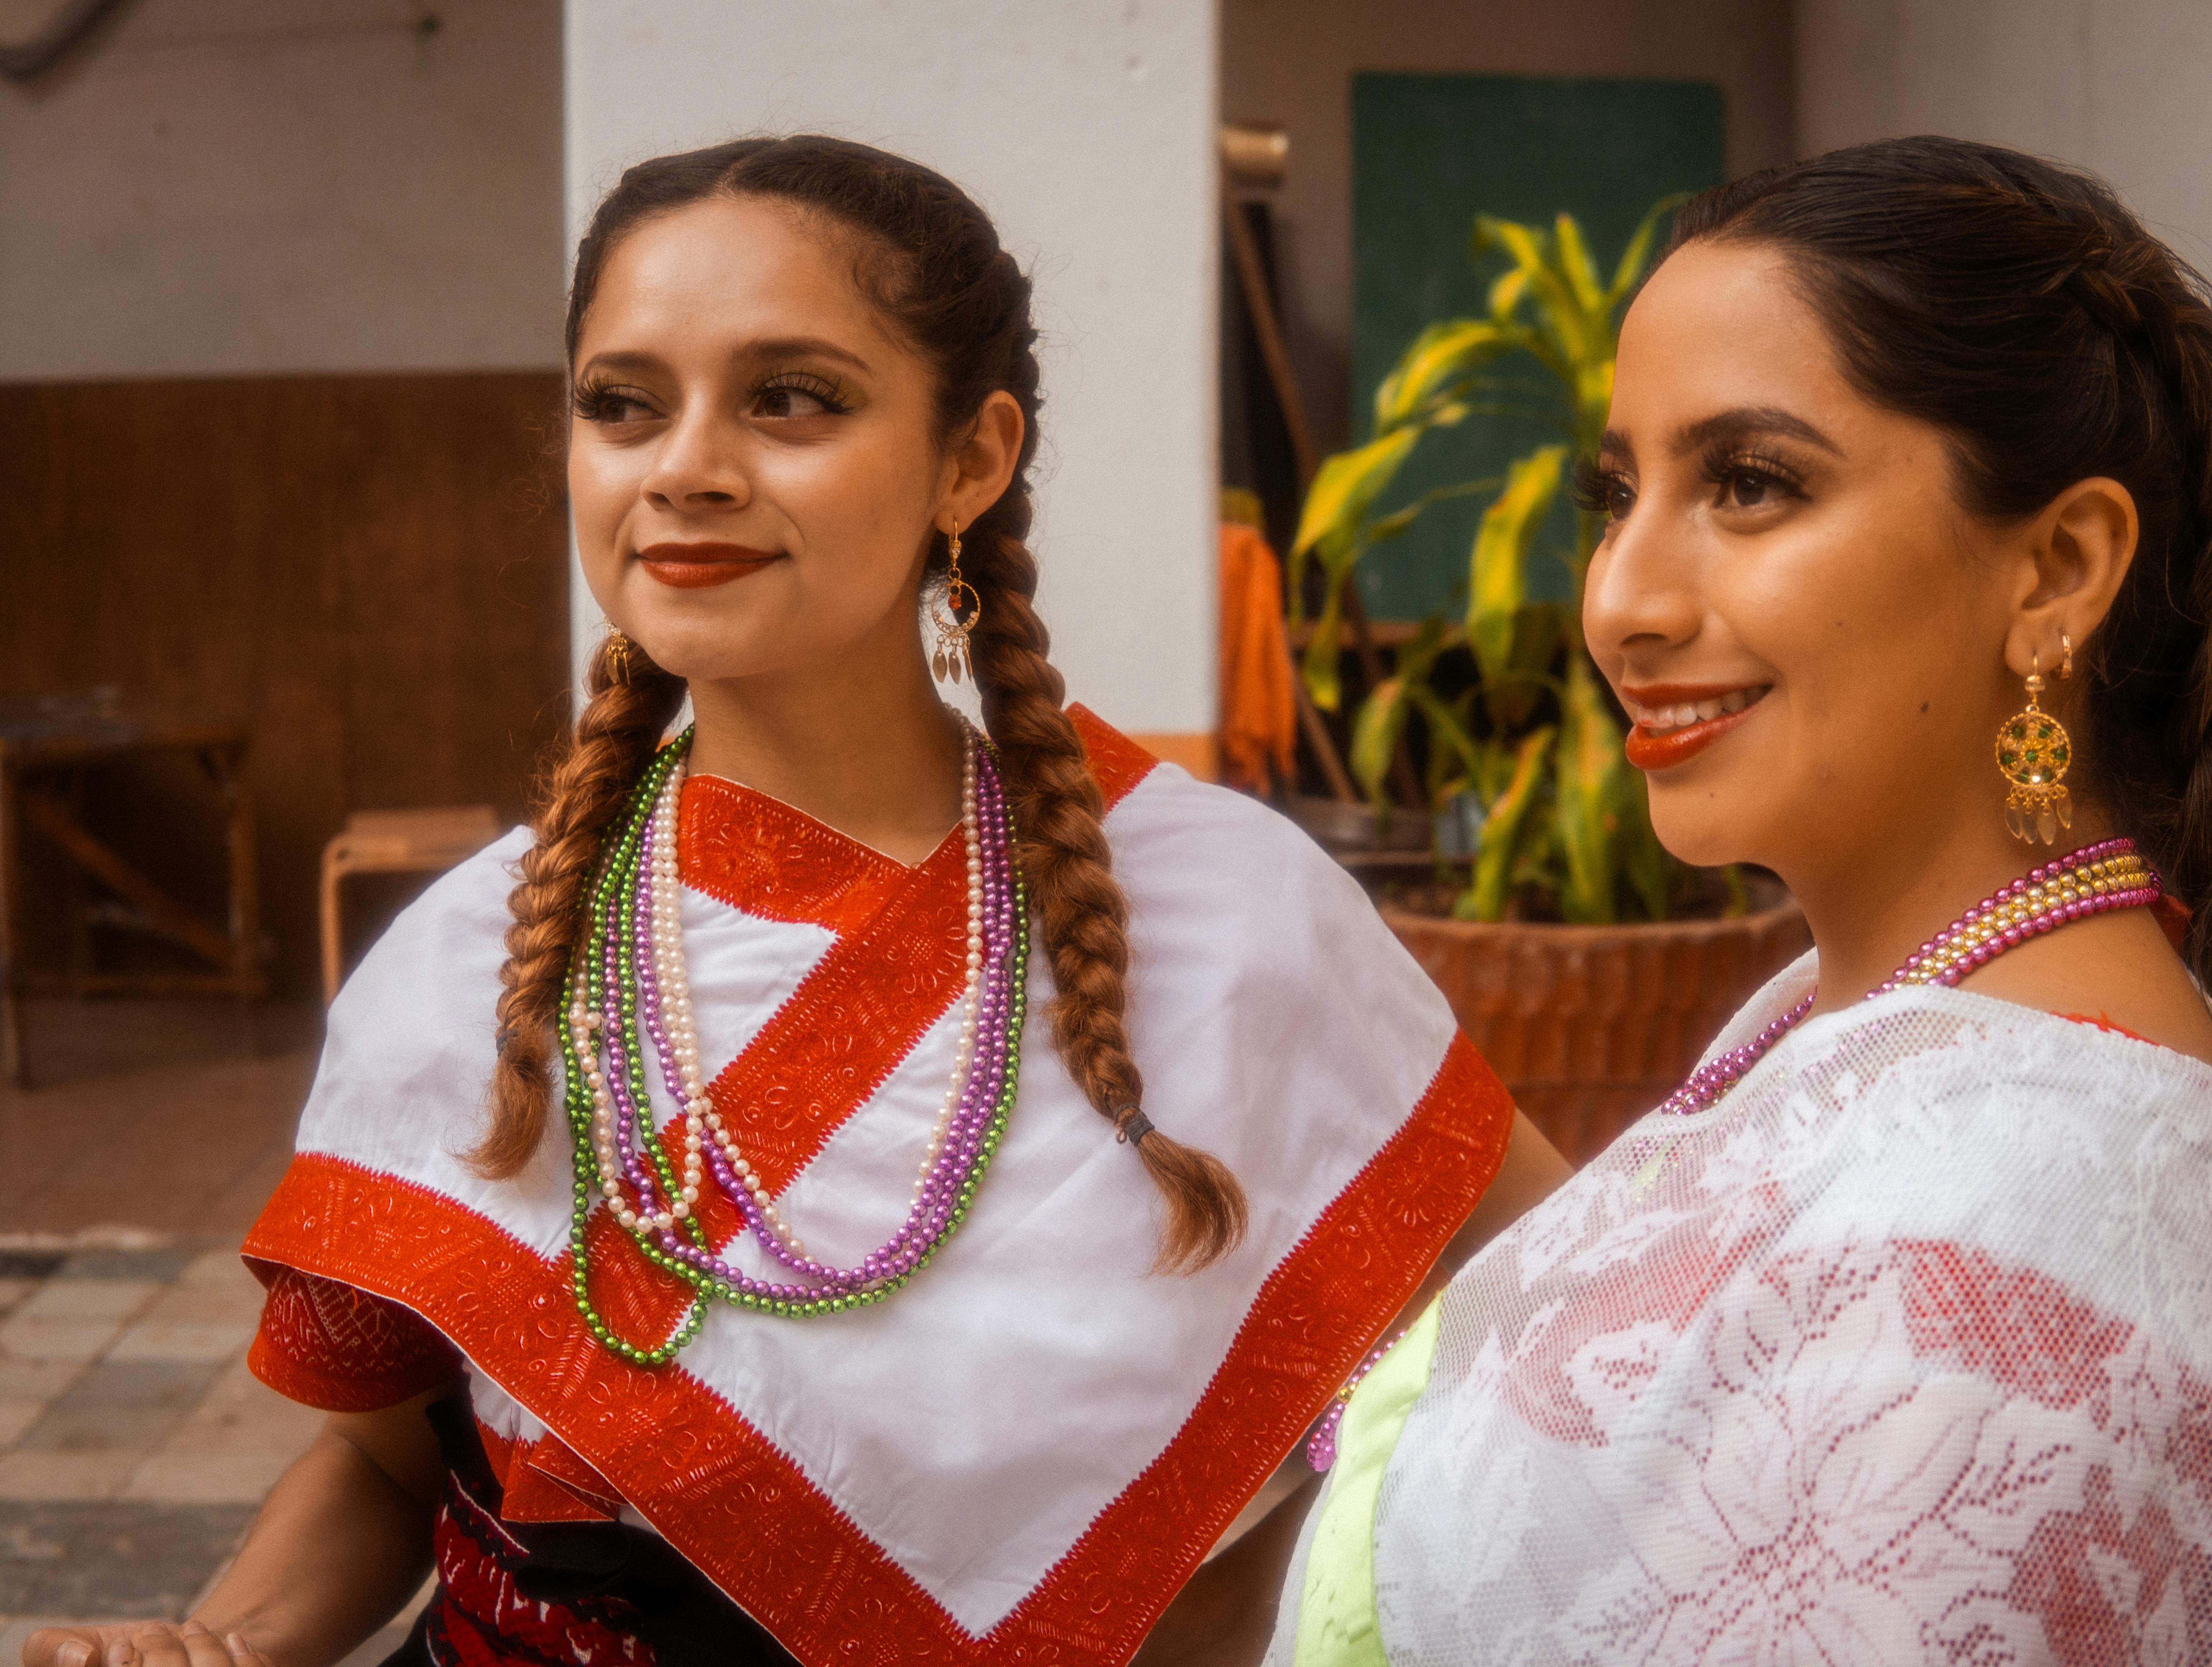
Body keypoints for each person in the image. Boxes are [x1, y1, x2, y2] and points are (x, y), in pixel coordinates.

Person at [25, 136, 1566, 1667]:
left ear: (972, 457)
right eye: (622, 404)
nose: (684, 465)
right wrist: (217, 1642)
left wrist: (1287, 1592)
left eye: (791, 398)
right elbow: (385, 1464)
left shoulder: (1228, 915)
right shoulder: (471, 963)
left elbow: (1559, 1320)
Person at [1263, 136, 2212, 1665]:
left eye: (1753, 486)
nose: (1621, 603)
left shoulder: (1990, 1248)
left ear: (2058, 568)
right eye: (1617, 491)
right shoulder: (1922, 1021)